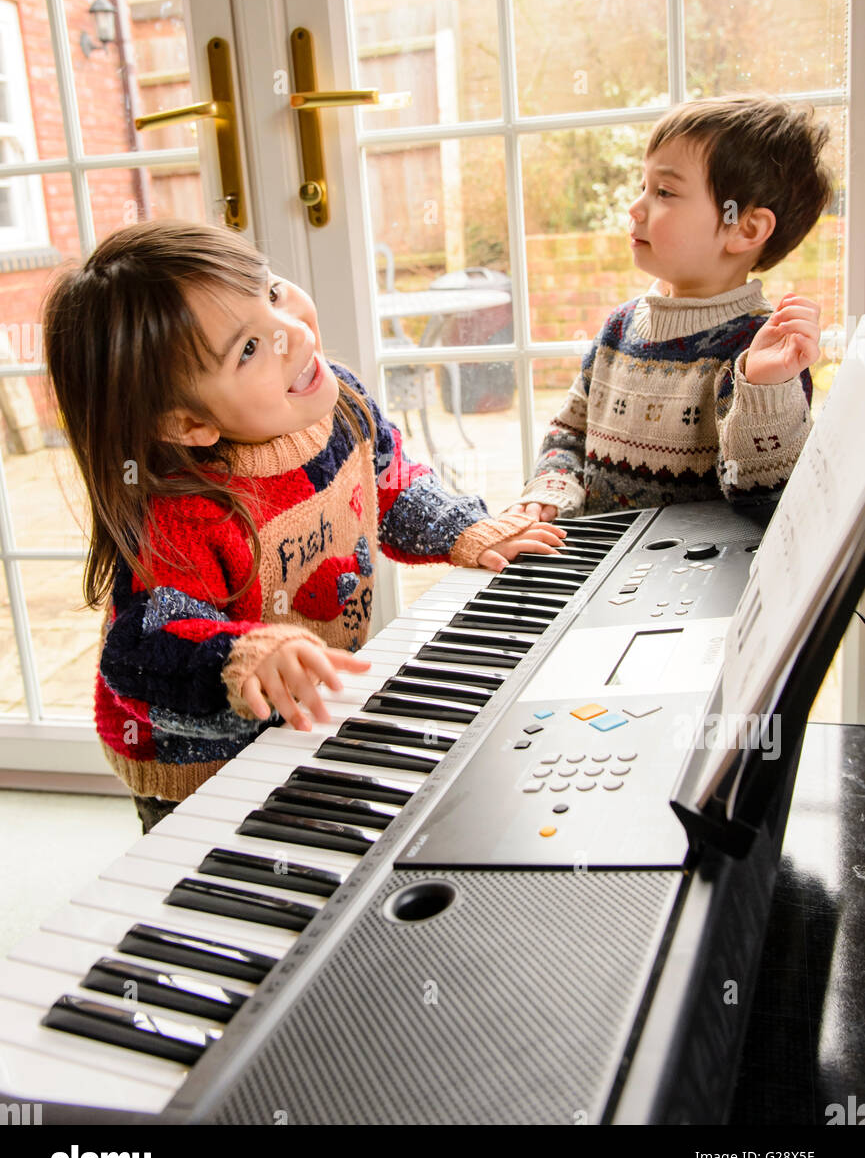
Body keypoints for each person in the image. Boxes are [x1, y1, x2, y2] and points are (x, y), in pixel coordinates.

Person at [43, 220, 563, 833]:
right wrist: (240, 657)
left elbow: (391, 483)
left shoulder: (340, 403)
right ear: (187, 424)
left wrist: (461, 531)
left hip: (304, 713)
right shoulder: (185, 513)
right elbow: (139, 648)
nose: (292, 332)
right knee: (235, 893)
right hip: (204, 760)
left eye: (271, 293)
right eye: (248, 349)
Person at [509, 95, 833, 523]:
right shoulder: (619, 328)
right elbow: (570, 432)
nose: (636, 206)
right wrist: (552, 488)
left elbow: (765, 501)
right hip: (603, 569)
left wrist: (765, 388)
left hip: (691, 583)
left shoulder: (761, 356)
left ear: (746, 227)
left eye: (664, 191)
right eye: (644, 186)